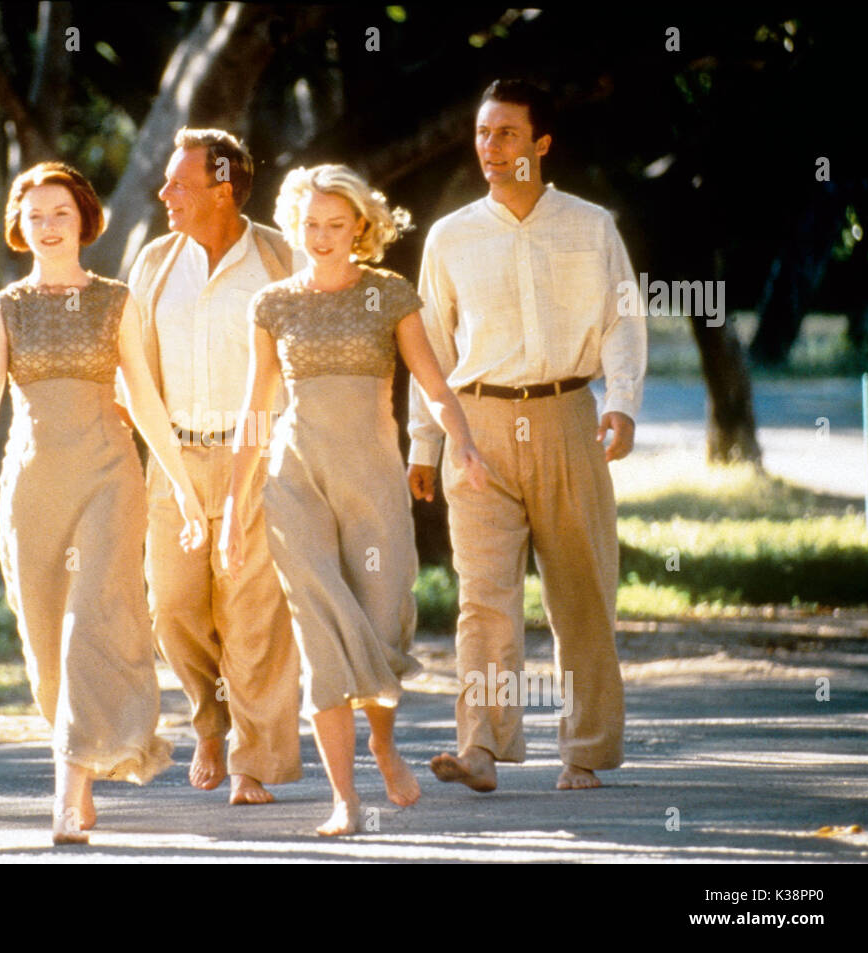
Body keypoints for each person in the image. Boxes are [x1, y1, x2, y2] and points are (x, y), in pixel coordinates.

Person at [221, 164, 487, 836]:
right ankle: (345, 799)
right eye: (310, 224)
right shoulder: (274, 303)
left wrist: (465, 443)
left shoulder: (389, 294)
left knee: (380, 621)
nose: (321, 237)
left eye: (336, 225)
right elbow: (256, 407)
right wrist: (231, 506)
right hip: (295, 482)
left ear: (361, 228)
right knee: (322, 638)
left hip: (372, 484)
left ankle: (383, 743)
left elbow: (432, 381)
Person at [0, 161, 207, 844]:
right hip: (34, 486)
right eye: (34, 215)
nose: (47, 226)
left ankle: (67, 793)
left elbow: (146, 402)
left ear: (83, 219)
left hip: (107, 479)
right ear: (19, 225)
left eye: (59, 213)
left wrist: (184, 490)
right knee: (46, 641)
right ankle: (82, 757)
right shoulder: (5, 307)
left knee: (91, 624)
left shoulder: (115, 301)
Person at [407, 79, 647, 793]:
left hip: (567, 415)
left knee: (581, 593)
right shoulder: (449, 236)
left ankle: (587, 750)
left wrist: (623, 402)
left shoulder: (591, 225)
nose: (491, 147)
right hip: (475, 428)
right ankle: (480, 745)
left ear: (541, 143)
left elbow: (623, 321)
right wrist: (425, 445)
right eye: (482, 134)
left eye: (506, 133)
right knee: (484, 598)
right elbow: (432, 350)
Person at [128, 128, 302, 805]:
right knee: (172, 605)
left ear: (222, 188)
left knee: (253, 610)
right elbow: (134, 369)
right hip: (173, 456)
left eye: (179, 183)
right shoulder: (153, 262)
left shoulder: (279, 259)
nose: (164, 193)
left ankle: (252, 759)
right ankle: (210, 716)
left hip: (256, 451)